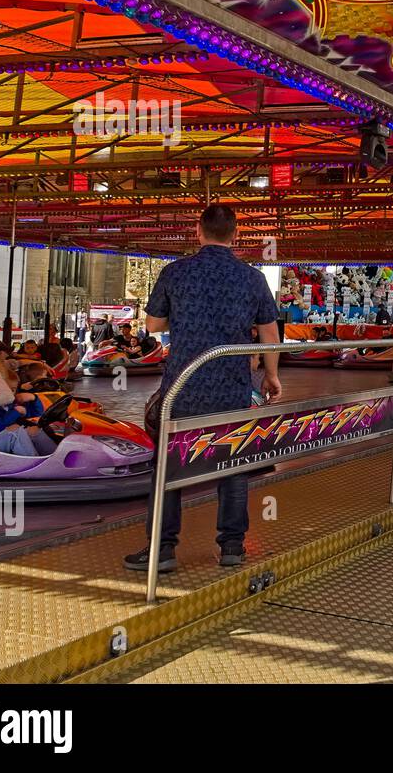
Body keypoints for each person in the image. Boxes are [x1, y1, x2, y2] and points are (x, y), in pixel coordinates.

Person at [123, 205, 282, 573]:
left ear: (199, 231)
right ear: (236, 234)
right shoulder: (252, 278)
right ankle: (231, 546)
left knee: (170, 467)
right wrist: (271, 375)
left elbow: (153, 323)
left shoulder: (176, 272)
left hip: (184, 387)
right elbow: (270, 331)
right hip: (231, 387)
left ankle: (161, 549)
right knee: (233, 465)